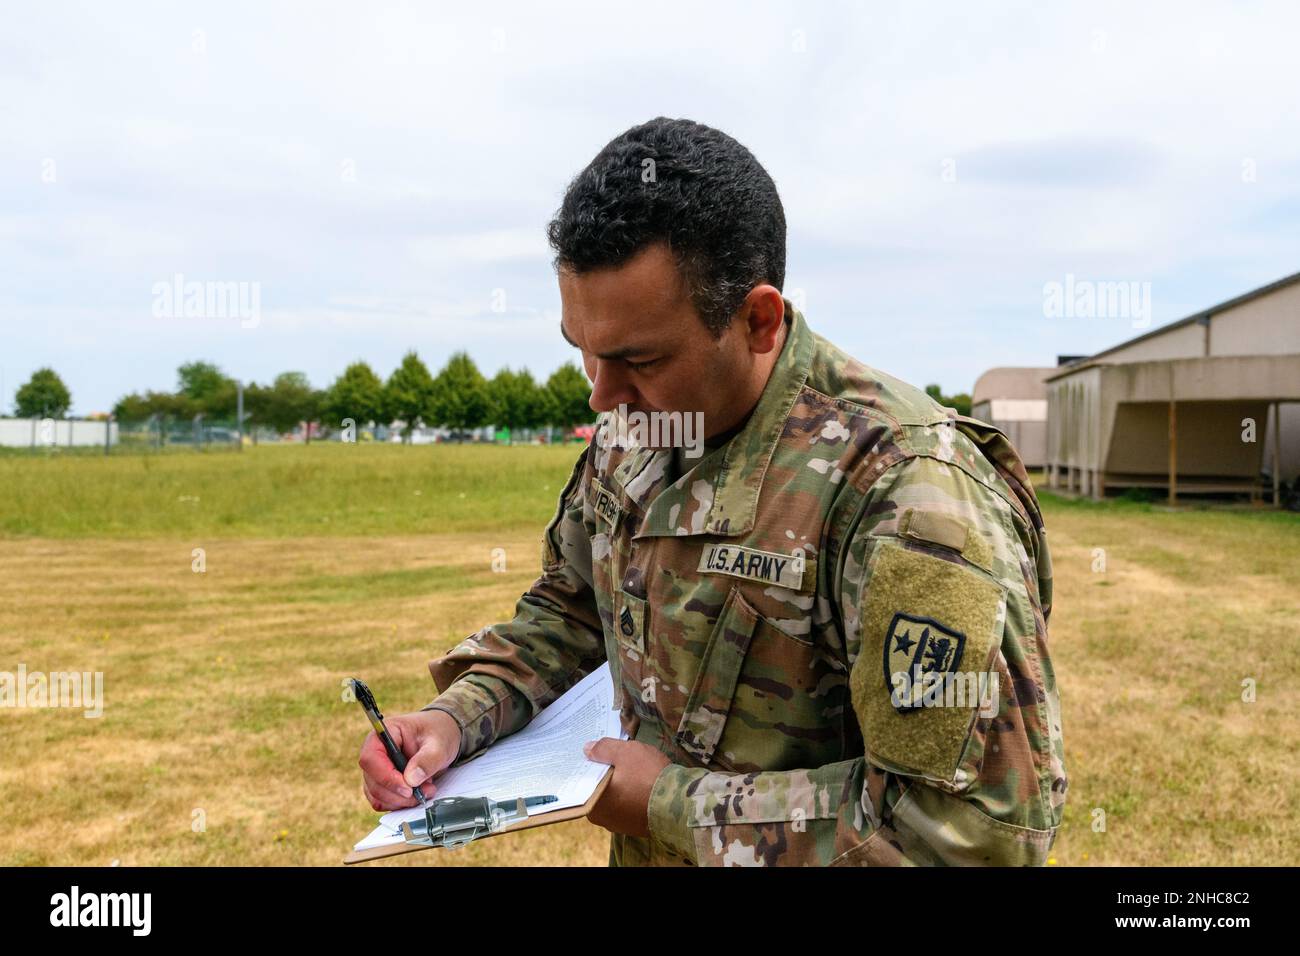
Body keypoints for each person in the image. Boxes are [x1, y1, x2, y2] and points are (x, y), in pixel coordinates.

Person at [358, 117, 1065, 866]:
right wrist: (453, 719)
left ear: (757, 320)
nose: (601, 397)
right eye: (584, 354)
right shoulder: (642, 427)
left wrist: (670, 806)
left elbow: (976, 830)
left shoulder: (906, 492)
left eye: (639, 358)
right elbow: (570, 614)